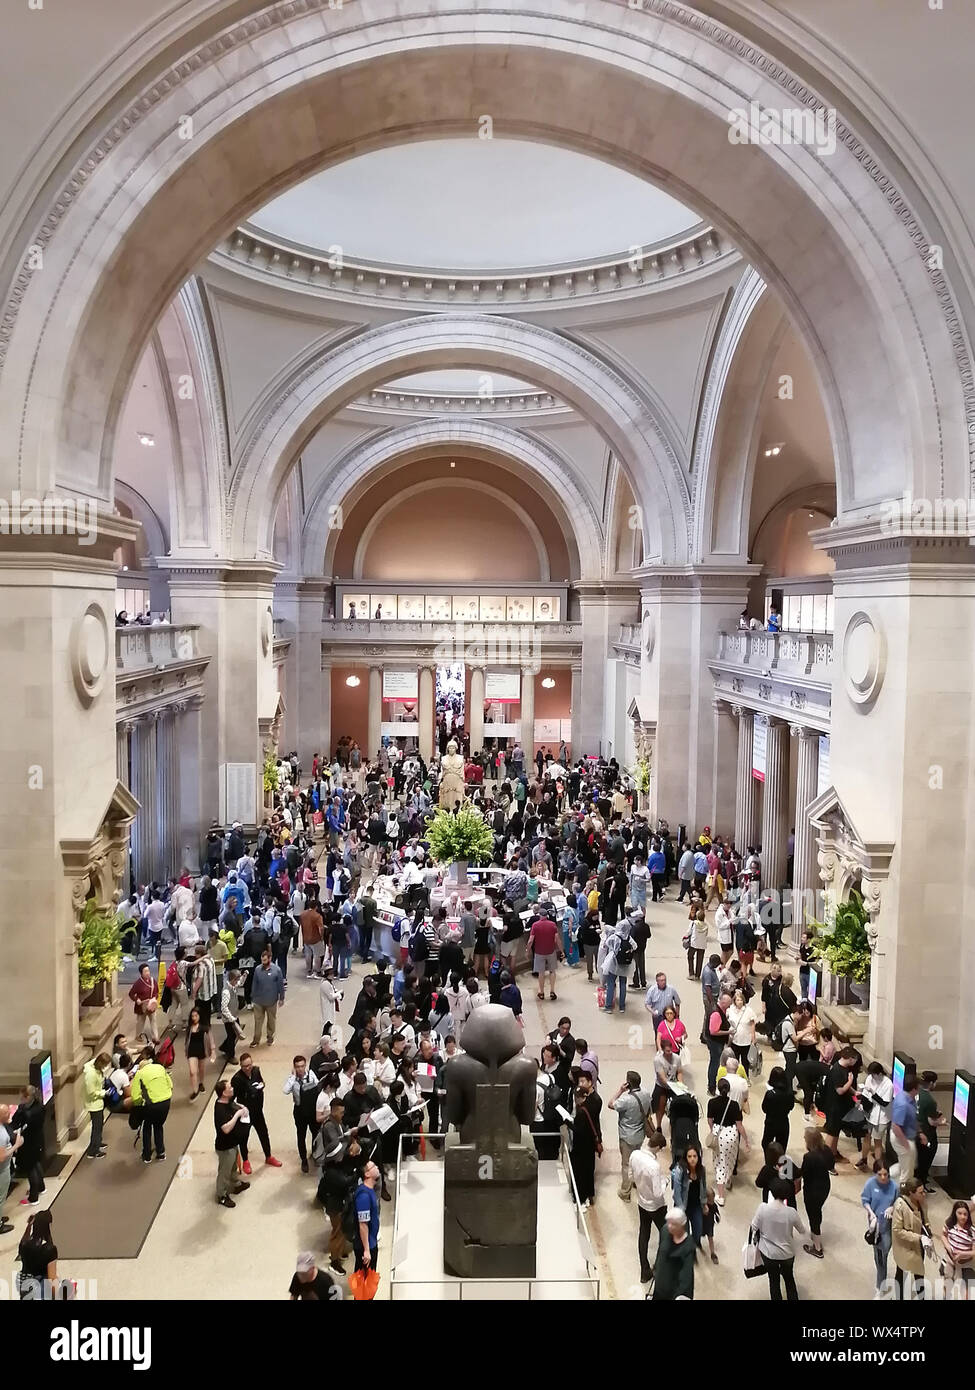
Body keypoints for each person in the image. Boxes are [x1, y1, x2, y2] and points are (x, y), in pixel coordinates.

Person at [750, 1177, 805, 1301]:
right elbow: (802, 1231)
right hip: (787, 1253)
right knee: (789, 1279)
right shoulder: (791, 1212)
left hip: (769, 1254)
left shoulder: (763, 1208)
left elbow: (753, 1227)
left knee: (774, 1281)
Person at [232, 1053, 282, 1172]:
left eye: (249, 1065)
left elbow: (261, 1082)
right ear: (241, 1066)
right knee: (244, 1138)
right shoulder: (237, 1079)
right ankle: (245, 1161)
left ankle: (268, 1156)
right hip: (245, 1113)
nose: (247, 1068)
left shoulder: (256, 1071)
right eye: (244, 1066)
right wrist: (241, 1108)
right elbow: (231, 1100)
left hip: (258, 1111)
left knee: (263, 1133)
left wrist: (261, 1086)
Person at [630, 1130, 669, 1282]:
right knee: (665, 1234)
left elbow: (630, 1176)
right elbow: (658, 1193)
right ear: (657, 1147)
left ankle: (644, 1271)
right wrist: (665, 1181)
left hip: (641, 1201)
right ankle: (659, 1266)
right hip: (656, 1206)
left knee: (644, 1234)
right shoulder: (654, 1166)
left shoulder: (634, 1155)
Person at [610, 1070, 655, 1201]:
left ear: (628, 1083)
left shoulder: (626, 1100)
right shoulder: (646, 1094)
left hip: (627, 1136)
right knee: (636, 1161)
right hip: (640, 1134)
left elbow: (610, 1104)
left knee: (626, 1164)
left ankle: (625, 1192)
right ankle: (636, 1181)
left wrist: (620, 1091)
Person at [706, 1077, 748, 1205]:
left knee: (719, 1163)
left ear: (718, 1089)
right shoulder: (734, 1105)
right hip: (731, 1135)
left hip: (719, 1134)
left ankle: (721, 1195)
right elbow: (739, 1125)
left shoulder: (712, 1103)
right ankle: (728, 1179)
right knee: (730, 1160)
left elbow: (710, 1120)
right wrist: (746, 1140)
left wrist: (713, 1130)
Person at [130, 1047, 174, 1164]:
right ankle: (161, 1153)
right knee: (159, 1126)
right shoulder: (160, 1068)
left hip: (151, 1104)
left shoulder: (140, 1074)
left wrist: (139, 1105)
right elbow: (170, 1084)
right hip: (166, 1102)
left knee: (147, 1127)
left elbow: (135, 1096)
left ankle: (147, 1155)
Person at [861, 1160, 898, 1294]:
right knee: (879, 1257)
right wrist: (871, 1213)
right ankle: (880, 1286)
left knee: (884, 1254)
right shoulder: (870, 1184)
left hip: (888, 1228)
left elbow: (900, 1202)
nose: (883, 1177)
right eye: (880, 1174)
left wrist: (892, 1208)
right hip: (875, 1226)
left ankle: (880, 1283)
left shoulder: (894, 1186)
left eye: (886, 1174)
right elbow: (865, 1200)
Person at [213, 1077, 251, 1209]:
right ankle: (221, 1195)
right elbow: (226, 1128)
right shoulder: (219, 1109)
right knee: (224, 1171)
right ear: (224, 1092)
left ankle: (235, 1184)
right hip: (225, 1146)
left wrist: (242, 1107)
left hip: (233, 1143)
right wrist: (237, 1115)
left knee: (233, 1166)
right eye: (230, 1087)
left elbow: (235, 1105)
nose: (232, 1088)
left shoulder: (228, 1101)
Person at [798, 1127, 834, 1259]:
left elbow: (803, 1173)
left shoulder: (809, 1157)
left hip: (812, 1189)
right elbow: (831, 1166)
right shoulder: (828, 1151)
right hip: (825, 1186)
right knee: (817, 1211)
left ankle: (817, 1247)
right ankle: (815, 1234)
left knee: (814, 1215)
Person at [891, 1177, 929, 1300]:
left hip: (919, 1245)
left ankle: (921, 1298)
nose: (924, 1194)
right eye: (920, 1192)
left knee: (919, 1273)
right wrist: (919, 1237)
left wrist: (927, 1233)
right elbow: (897, 1230)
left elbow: (925, 1220)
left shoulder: (922, 1202)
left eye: (924, 1191)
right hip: (905, 1246)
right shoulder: (900, 1206)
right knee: (901, 1272)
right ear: (911, 1193)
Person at [283, 1056, 321, 1174]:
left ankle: (315, 1154)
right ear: (294, 1067)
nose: (300, 1069)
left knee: (316, 1133)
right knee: (301, 1135)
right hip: (300, 1111)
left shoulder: (311, 1074)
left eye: (302, 1066)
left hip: (312, 1110)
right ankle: (303, 1159)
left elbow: (318, 1086)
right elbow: (285, 1090)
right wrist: (293, 1077)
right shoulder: (292, 1079)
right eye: (297, 1067)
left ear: (305, 1066)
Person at [651, 1208, 696, 1300]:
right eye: (668, 1222)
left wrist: (680, 1295)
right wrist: (656, 1267)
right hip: (660, 1286)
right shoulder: (665, 1231)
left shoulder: (688, 1246)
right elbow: (660, 1251)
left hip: (673, 1291)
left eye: (674, 1224)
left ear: (682, 1225)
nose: (670, 1226)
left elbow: (686, 1275)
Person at [570, 1083, 602, 1211]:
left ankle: (581, 1198)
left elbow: (578, 1130)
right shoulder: (591, 1106)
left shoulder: (581, 1112)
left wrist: (568, 1122)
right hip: (590, 1146)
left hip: (581, 1148)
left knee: (580, 1173)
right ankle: (588, 1195)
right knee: (589, 1171)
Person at [670, 1144, 709, 1247]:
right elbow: (677, 1191)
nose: (692, 1159)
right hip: (683, 1206)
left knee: (698, 1230)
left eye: (694, 1156)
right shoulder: (680, 1170)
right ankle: (688, 1251)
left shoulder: (701, 1170)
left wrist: (704, 1203)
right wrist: (681, 1209)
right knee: (685, 1233)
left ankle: (695, 1243)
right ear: (686, 1157)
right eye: (689, 1156)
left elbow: (703, 1186)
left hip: (696, 1205)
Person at [16, 1210, 59, 1300]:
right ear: (49, 1225)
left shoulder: (25, 1245)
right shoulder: (50, 1249)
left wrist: (29, 1225)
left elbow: (24, 1240)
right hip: (40, 1287)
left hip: (24, 1284)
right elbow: (52, 1279)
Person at [916, 1070, 945, 1193]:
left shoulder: (916, 1092)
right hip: (927, 1133)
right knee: (925, 1159)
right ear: (932, 1083)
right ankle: (922, 1183)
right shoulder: (930, 1101)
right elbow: (931, 1122)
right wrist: (942, 1122)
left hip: (915, 1129)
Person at [251, 948, 286, 1047]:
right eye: (262, 960)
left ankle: (270, 1038)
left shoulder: (277, 970)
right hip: (258, 1000)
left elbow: (280, 985)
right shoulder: (257, 969)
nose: (263, 962)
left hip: (271, 1001)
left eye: (265, 960)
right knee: (258, 1022)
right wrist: (252, 997)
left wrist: (281, 998)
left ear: (270, 958)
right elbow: (254, 984)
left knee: (271, 1021)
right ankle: (256, 1040)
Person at [527, 909, 563, 1002]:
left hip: (539, 952)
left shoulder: (535, 925)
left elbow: (531, 940)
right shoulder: (552, 925)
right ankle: (552, 991)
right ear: (547, 915)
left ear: (539, 915)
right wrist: (562, 950)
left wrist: (527, 950)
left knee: (541, 973)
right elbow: (557, 939)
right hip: (551, 951)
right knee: (552, 971)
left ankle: (542, 992)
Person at [353, 1160, 382, 1272]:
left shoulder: (370, 1191)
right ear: (367, 1174)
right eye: (373, 1166)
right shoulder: (364, 1196)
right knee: (365, 1280)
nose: (377, 1167)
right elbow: (363, 1224)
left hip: (371, 1241)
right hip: (366, 1246)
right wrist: (366, 1250)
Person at [82, 1052, 111, 1158]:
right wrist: (104, 1093)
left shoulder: (96, 1069)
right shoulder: (90, 1074)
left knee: (99, 1125)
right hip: (94, 1104)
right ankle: (93, 1151)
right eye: (105, 1065)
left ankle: (97, 1143)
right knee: (97, 1127)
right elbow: (91, 1092)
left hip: (98, 1102)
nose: (105, 1067)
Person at [705, 989, 733, 1096]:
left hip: (716, 1042)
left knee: (714, 1062)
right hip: (715, 1043)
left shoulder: (718, 1009)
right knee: (715, 1063)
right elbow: (714, 1031)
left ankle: (712, 1085)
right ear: (723, 1003)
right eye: (729, 1004)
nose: (730, 1006)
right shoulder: (716, 1013)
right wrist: (728, 1031)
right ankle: (711, 1087)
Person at [184, 1005, 216, 1100]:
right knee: (192, 1072)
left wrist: (213, 1051)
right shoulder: (189, 1028)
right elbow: (187, 1040)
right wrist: (186, 1049)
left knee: (201, 1069)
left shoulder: (205, 1028)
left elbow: (211, 1039)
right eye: (192, 1016)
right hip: (191, 1051)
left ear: (200, 1016)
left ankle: (201, 1082)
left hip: (202, 1050)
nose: (194, 1018)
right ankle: (195, 1091)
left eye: (196, 1016)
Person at [941, 1201, 975, 1290]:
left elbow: (974, 1251)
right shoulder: (949, 1224)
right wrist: (949, 1248)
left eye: (965, 1214)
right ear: (954, 1213)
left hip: (965, 1264)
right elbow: (943, 1236)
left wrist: (962, 1254)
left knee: (963, 1287)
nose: (962, 1217)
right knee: (947, 1282)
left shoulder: (972, 1231)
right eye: (959, 1213)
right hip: (949, 1259)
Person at [761, 1066, 795, 1152]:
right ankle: (780, 1164)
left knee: (766, 1144)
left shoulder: (770, 1094)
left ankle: (769, 1162)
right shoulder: (790, 1093)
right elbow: (791, 1107)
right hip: (784, 1122)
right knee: (782, 1147)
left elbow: (764, 1108)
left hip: (771, 1122)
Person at [128, 963, 159, 1043]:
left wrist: (154, 998)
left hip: (151, 1005)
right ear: (141, 973)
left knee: (153, 1021)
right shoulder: (138, 983)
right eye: (145, 971)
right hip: (142, 1007)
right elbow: (131, 994)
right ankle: (138, 1035)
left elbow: (156, 991)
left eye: (148, 971)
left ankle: (155, 1037)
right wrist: (136, 999)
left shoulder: (153, 981)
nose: (148, 973)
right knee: (140, 1022)